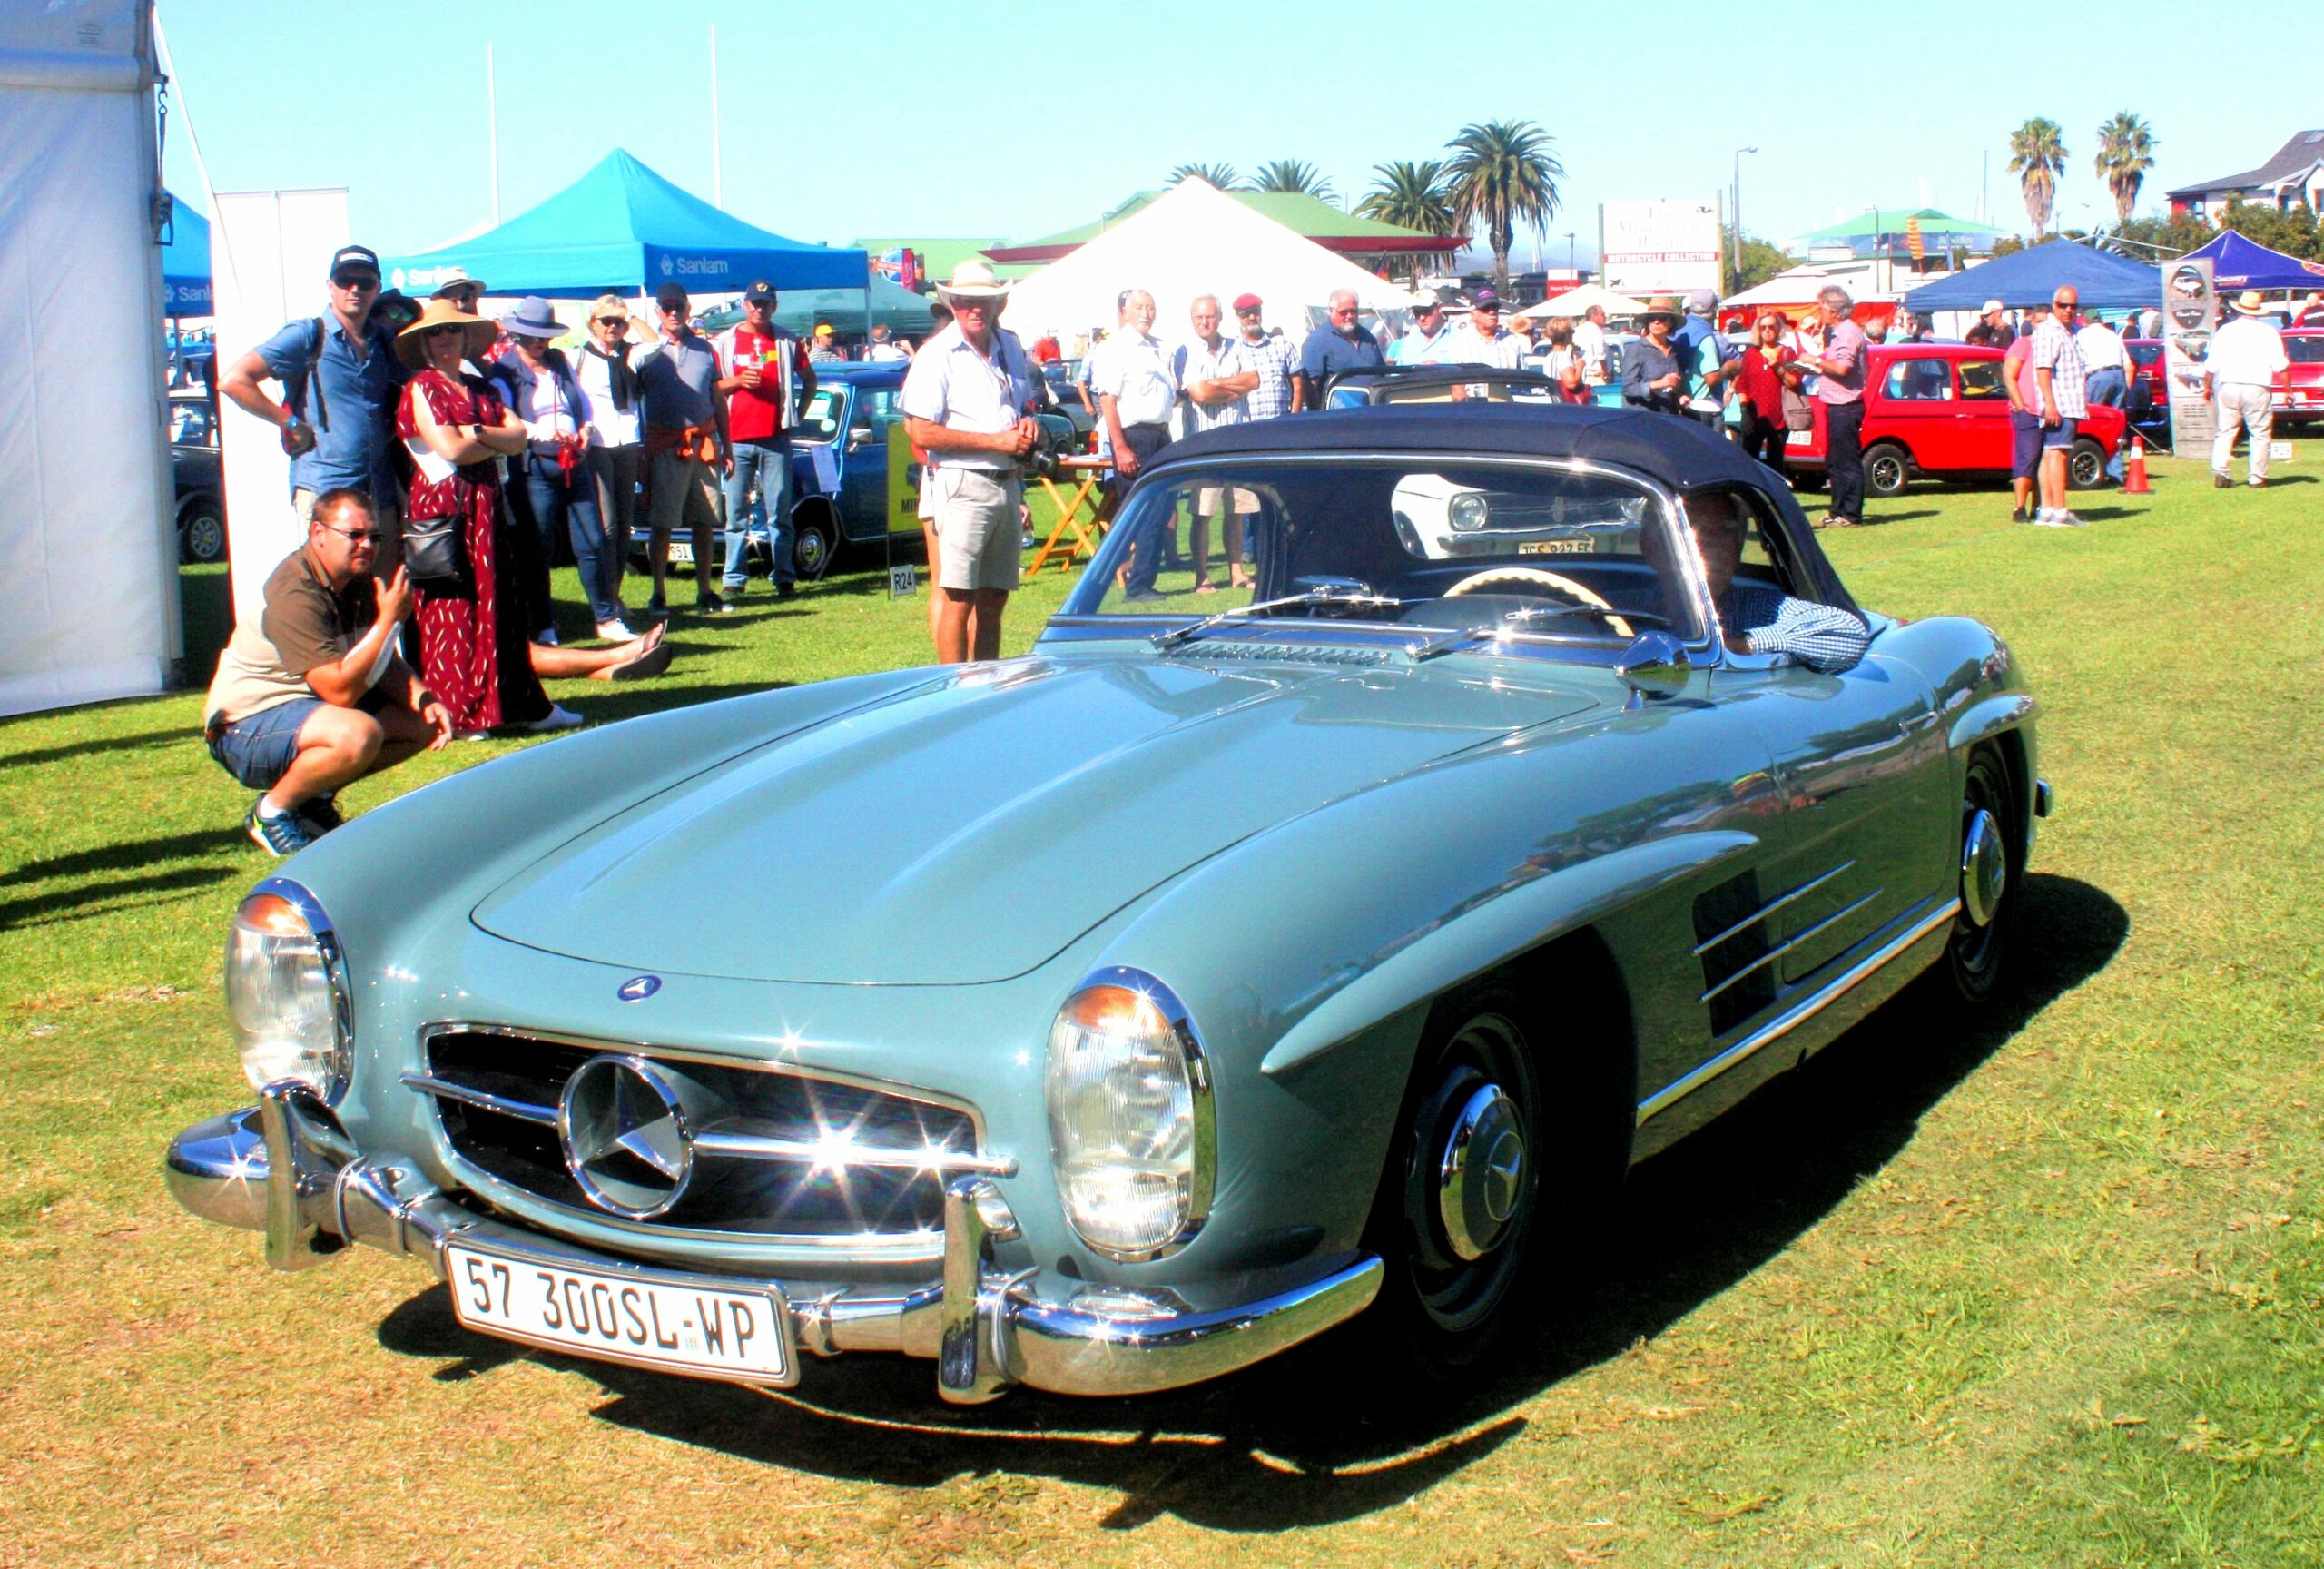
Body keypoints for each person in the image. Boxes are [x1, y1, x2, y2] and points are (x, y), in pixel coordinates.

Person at [396, 301, 665, 736]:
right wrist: (494, 440)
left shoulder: (477, 386)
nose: (444, 338)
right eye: (435, 332)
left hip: (486, 505)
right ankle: (462, 714)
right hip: (445, 513)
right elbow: (451, 450)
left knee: (498, 608)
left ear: (466, 337)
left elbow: (518, 434)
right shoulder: (421, 388)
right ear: (424, 342)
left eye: (452, 330)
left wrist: (480, 434)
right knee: (453, 611)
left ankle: (523, 705)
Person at [201, 488, 453, 855]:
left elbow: (377, 658)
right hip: (242, 729)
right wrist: (387, 621)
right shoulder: (295, 594)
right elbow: (338, 691)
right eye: (354, 535)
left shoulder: (356, 581)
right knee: (357, 733)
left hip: (304, 714)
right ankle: (270, 813)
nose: (367, 545)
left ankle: (312, 799)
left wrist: (423, 697)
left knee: (422, 723)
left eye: (374, 537)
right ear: (318, 534)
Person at [219, 243, 409, 560]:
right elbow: (234, 380)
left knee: (381, 594)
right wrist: (289, 422)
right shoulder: (308, 334)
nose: (354, 289)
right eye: (346, 279)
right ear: (329, 286)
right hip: (326, 488)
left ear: (377, 288)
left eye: (365, 282)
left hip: (379, 489)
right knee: (329, 591)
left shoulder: (383, 340)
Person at [898, 261, 1039, 662]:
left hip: (1007, 481)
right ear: (953, 304)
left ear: (999, 304)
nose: (974, 309)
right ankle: (955, 691)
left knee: (994, 598)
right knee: (957, 597)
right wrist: (996, 441)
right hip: (963, 481)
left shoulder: (1009, 346)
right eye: (965, 301)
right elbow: (921, 432)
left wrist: (1028, 423)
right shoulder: (936, 354)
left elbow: (1022, 404)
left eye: (983, 301)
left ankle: (985, 683)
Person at [487, 298, 628, 641]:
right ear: (519, 335)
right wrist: (542, 433)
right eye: (534, 336)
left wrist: (585, 429)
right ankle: (545, 624)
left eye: (545, 336)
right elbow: (507, 416)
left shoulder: (559, 362)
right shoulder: (503, 371)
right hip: (535, 467)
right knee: (539, 547)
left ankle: (607, 619)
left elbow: (582, 402)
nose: (541, 342)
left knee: (593, 541)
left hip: (575, 461)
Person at [1679, 493, 1870, 672]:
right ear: (1655, 546)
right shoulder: (1649, 599)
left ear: (1738, 547)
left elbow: (1848, 632)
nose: (1714, 547)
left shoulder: (1750, 606)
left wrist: (1742, 645)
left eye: (1724, 531)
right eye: (1695, 528)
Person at [714, 280, 816, 606]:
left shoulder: (786, 339)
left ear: (774, 306)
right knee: (736, 515)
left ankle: (784, 577)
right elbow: (713, 387)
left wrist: (796, 414)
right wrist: (738, 381)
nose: (760, 308)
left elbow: (809, 380)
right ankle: (733, 579)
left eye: (766, 303)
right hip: (736, 438)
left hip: (776, 436)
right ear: (745, 304)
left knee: (779, 513)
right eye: (755, 303)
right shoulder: (725, 341)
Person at [633, 281, 728, 614]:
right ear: (658, 311)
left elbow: (717, 398)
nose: (674, 313)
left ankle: (705, 590)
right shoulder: (645, 352)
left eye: (679, 307)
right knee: (663, 523)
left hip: (704, 444)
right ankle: (658, 591)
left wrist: (726, 445)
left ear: (688, 310)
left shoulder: (705, 349)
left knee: (705, 520)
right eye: (667, 307)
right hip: (666, 445)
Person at [1089, 289, 1181, 597]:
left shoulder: (1159, 348)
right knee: (1144, 511)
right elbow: (1107, 401)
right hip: (1133, 437)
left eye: (1151, 307)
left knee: (1163, 507)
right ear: (1124, 313)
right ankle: (1135, 582)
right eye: (1139, 307)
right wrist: (1120, 446)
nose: (1146, 312)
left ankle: (1140, 577)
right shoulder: (1114, 348)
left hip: (1161, 435)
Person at [1174, 294, 1260, 593]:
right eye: (1198, 317)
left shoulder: (1237, 346)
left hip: (1238, 440)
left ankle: (1237, 571)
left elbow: (1252, 381)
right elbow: (1198, 393)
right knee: (1203, 512)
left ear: (1220, 317)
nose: (1204, 322)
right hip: (1205, 443)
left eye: (1209, 316)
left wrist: (1216, 385)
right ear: (1191, 319)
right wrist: (1231, 386)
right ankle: (1202, 576)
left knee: (1237, 511)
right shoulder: (1185, 351)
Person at [574, 296, 645, 610]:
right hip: (599, 443)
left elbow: (653, 342)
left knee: (625, 521)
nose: (613, 327)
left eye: (618, 322)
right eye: (606, 321)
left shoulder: (629, 354)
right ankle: (604, 596)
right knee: (608, 523)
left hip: (627, 440)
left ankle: (615, 594)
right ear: (593, 324)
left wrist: (629, 314)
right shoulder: (578, 357)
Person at [1797, 285, 1869, 528]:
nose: (1820, 313)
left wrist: (1814, 360)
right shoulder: (1838, 333)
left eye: (1822, 308)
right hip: (1836, 403)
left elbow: (1842, 368)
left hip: (1846, 404)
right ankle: (1837, 510)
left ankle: (1851, 513)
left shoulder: (1848, 333)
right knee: (1835, 461)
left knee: (1847, 461)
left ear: (1834, 310)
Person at [2206, 289, 2291, 488]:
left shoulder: (2225, 330)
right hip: (2257, 385)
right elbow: (2281, 365)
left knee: (2225, 432)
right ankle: (2257, 477)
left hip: (2228, 384)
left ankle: (2220, 471)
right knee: (2259, 432)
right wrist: (2288, 390)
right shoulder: (2269, 332)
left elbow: (2211, 364)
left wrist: (2206, 386)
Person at [2030, 287, 2090, 528]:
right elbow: (2043, 369)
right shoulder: (2049, 331)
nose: (2068, 310)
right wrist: (2050, 403)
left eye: (2073, 306)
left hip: (2071, 402)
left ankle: (2047, 510)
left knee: (2050, 454)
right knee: (2058, 454)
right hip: (2061, 403)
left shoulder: (2072, 331)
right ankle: (2059, 511)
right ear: (2054, 305)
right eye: (2063, 305)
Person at [1731, 313, 1797, 480]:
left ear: (1778, 329)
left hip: (1779, 419)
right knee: (1749, 461)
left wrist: (1778, 367)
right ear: (1758, 331)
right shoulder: (1751, 353)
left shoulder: (1787, 353)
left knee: (1775, 464)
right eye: (1763, 327)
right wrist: (1744, 410)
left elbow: (1794, 382)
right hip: (1754, 417)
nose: (1767, 331)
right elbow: (1743, 384)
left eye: (1772, 327)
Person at [2001, 301, 2049, 524]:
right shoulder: (2023, 344)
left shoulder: (2052, 345)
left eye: (2046, 322)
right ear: (2031, 322)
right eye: (2038, 322)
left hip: (2049, 412)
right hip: (2028, 412)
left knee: (2044, 461)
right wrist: (2020, 405)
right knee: (2026, 460)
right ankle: (2019, 507)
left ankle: (2039, 506)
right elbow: (2009, 375)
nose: (2042, 326)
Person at [1296, 288, 1384, 408]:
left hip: (1375, 408)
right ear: (1331, 311)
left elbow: (1382, 373)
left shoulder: (1368, 337)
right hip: (1341, 416)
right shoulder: (1317, 341)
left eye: (1353, 311)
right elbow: (1311, 386)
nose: (1349, 316)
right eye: (1344, 312)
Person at [1233, 293, 1303, 419]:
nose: (1252, 317)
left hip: (1281, 426)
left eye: (1256, 311)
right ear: (1238, 316)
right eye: (1246, 313)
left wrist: (1294, 420)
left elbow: (1298, 386)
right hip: (1248, 429)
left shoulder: (1282, 344)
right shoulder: (1233, 350)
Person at [1620, 298, 1688, 414]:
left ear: (1671, 322)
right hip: (1642, 417)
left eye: (1662, 318)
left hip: (1668, 416)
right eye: (1652, 318)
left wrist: (1681, 396)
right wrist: (1658, 384)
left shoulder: (1675, 349)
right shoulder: (1636, 349)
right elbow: (1628, 388)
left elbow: (1676, 384)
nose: (1656, 322)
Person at [1443, 287, 1527, 369]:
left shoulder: (1513, 341)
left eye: (1495, 308)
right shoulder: (1460, 345)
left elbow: (1523, 377)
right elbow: (1457, 380)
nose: (1492, 312)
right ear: (1473, 313)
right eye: (1485, 308)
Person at [1389, 291, 1453, 364]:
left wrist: (1441, 370)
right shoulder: (1408, 342)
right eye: (1417, 312)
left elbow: (1467, 371)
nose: (1422, 317)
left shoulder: (1461, 338)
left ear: (1439, 308)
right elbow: (1400, 372)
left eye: (1426, 310)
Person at [1573, 303, 1610, 385]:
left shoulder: (1577, 330)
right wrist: (1605, 372)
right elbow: (1600, 354)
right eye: (1602, 314)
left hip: (1580, 376)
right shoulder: (1596, 331)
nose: (1605, 317)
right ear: (1593, 316)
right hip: (1596, 376)